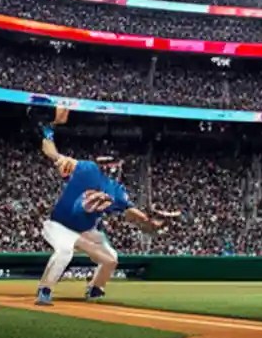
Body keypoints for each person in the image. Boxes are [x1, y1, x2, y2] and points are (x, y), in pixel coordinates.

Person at [35, 106, 172, 305]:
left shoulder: (116, 189)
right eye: (108, 160)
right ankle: (44, 290)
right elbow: (52, 154)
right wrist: (47, 134)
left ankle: (95, 289)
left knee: (111, 258)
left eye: (113, 161)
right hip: (60, 225)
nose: (110, 164)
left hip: (87, 231)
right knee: (65, 251)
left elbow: (131, 213)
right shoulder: (86, 168)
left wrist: (150, 224)